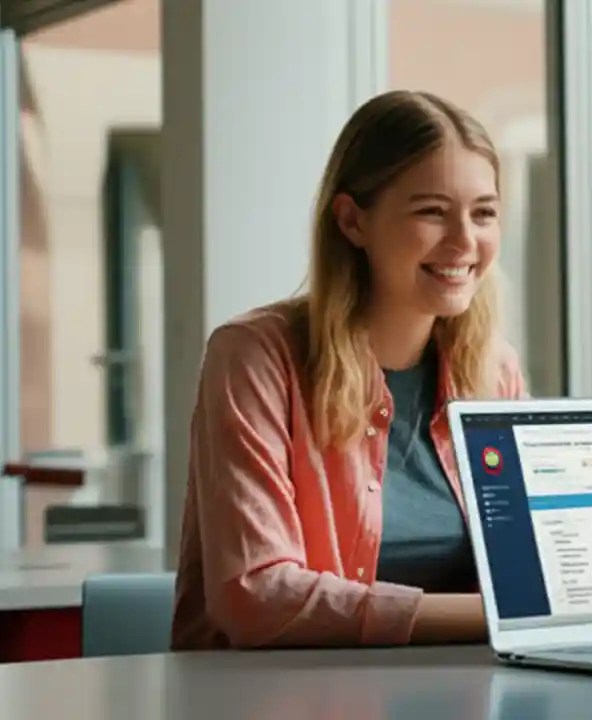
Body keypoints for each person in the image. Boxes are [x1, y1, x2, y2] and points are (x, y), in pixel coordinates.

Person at [170, 90, 528, 650]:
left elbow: (527, 569)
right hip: (280, 691)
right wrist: (498, 617)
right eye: (432, 212)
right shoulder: (255, 357)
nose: (465, 241)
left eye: (483, 213)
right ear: (352, 221)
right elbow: (256, 595)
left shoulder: (494, 371)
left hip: (465, 685)